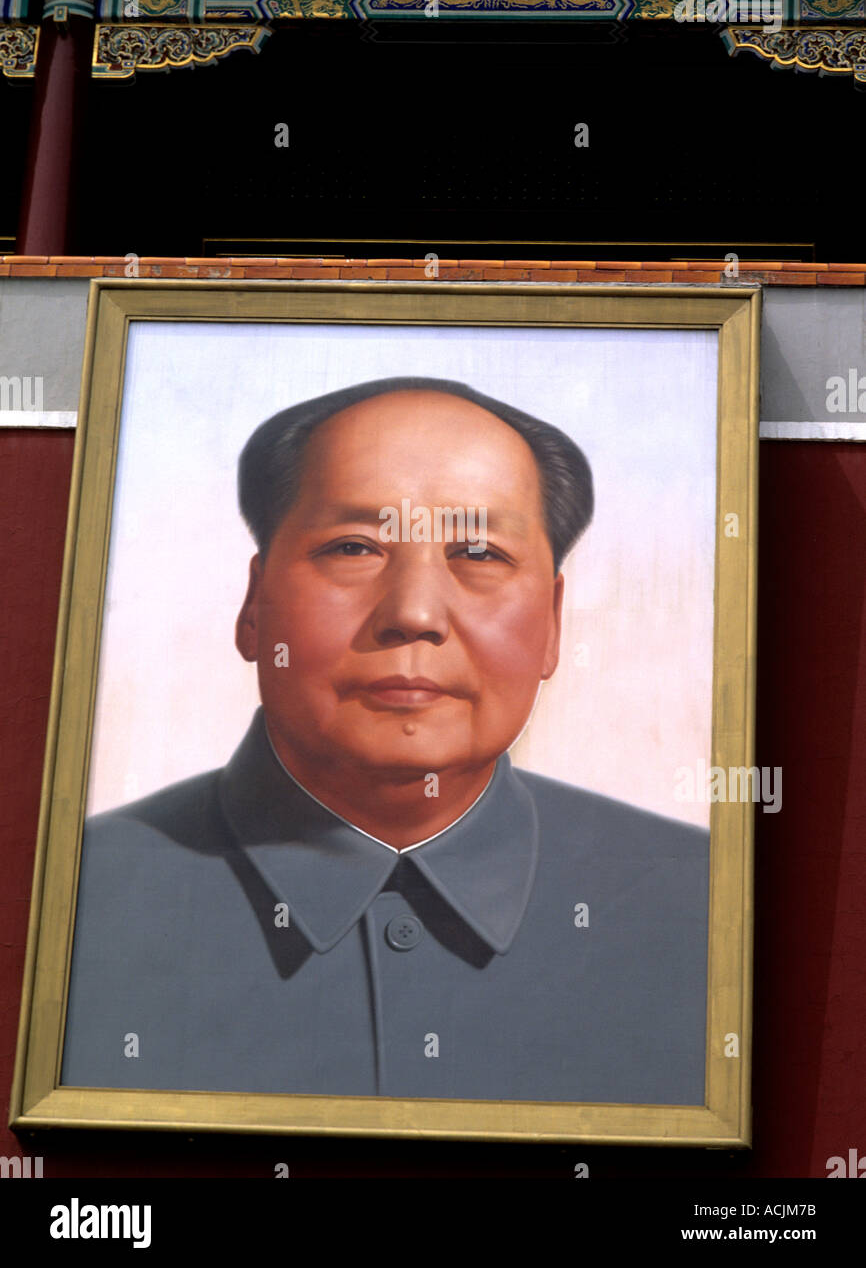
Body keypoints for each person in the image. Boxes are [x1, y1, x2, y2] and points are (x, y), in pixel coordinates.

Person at [61, 376, 709, 1105]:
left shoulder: (701, 907)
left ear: (553, 623)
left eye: (480, 553)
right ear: (253, 605)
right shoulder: (76, 896)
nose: (413, 612)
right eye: (354, 547)